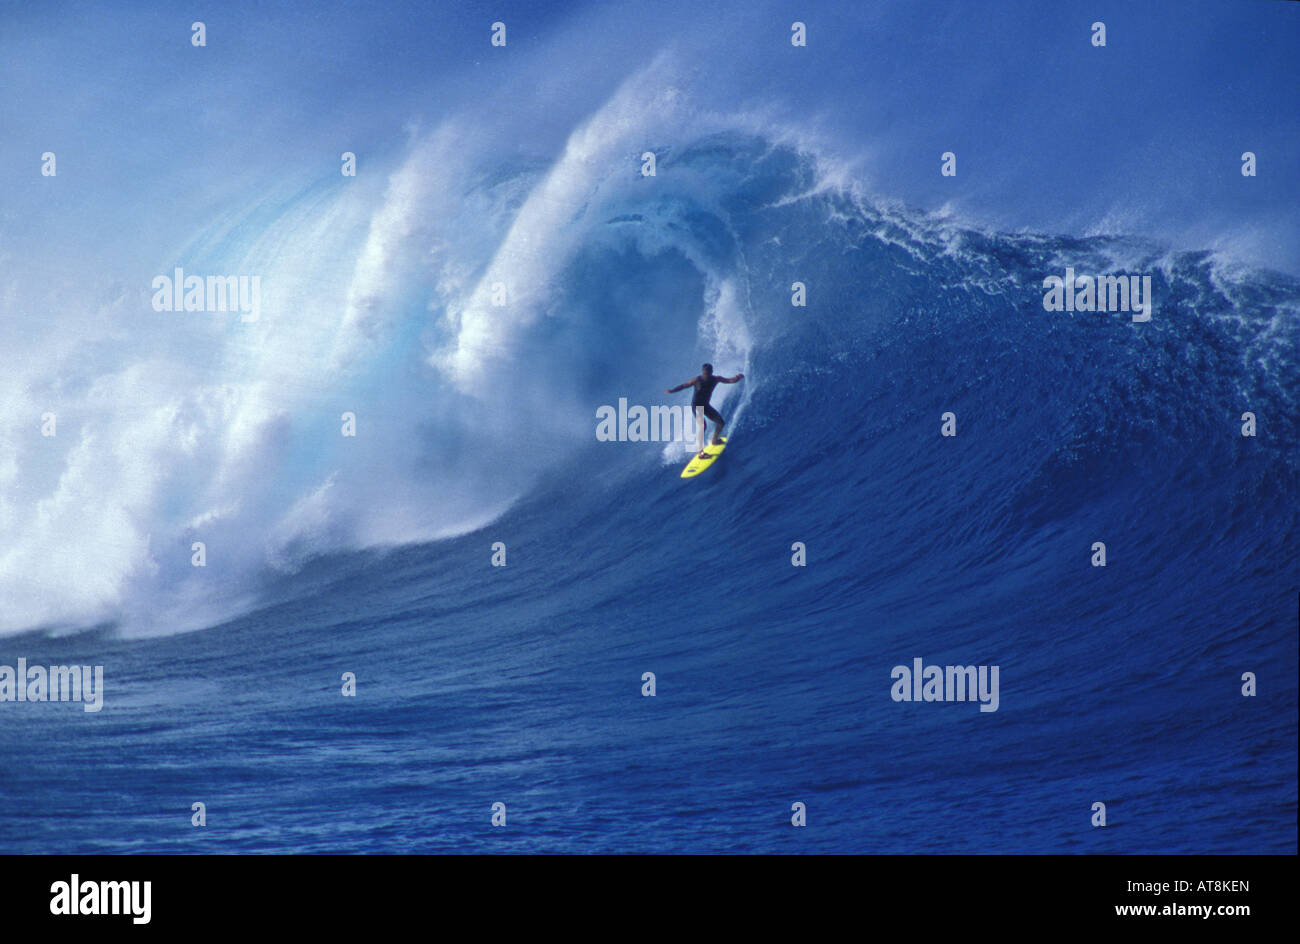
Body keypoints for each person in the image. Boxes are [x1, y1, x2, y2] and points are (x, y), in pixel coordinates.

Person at [666, 363, 744, 457]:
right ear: (702, 372)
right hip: (697, 406)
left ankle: (714, 440)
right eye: (704, 373)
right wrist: (672, 390)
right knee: (703, 426)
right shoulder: (697, 380)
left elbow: (729, 380)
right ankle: (700, 453)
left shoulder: (715, 379)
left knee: (721, 423)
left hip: (706, 405)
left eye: (707, 373)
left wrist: (737, 378)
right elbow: (684, 385)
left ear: (711, 372)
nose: (705, 375)